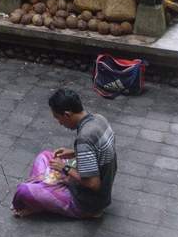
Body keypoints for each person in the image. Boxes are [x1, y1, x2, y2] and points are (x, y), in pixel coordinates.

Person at [11, 88, 117, 218]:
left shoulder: (84, 138)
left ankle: (40, 197)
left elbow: (93, 184)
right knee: (46, 156)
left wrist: (65, 168)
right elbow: (100, 152)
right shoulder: (99, 119)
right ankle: (44, 190)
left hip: (87, 203)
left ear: (67, 114)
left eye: (58, 118)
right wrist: (74, 153)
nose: (60, 123)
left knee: (23, 191)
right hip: (96, 185)